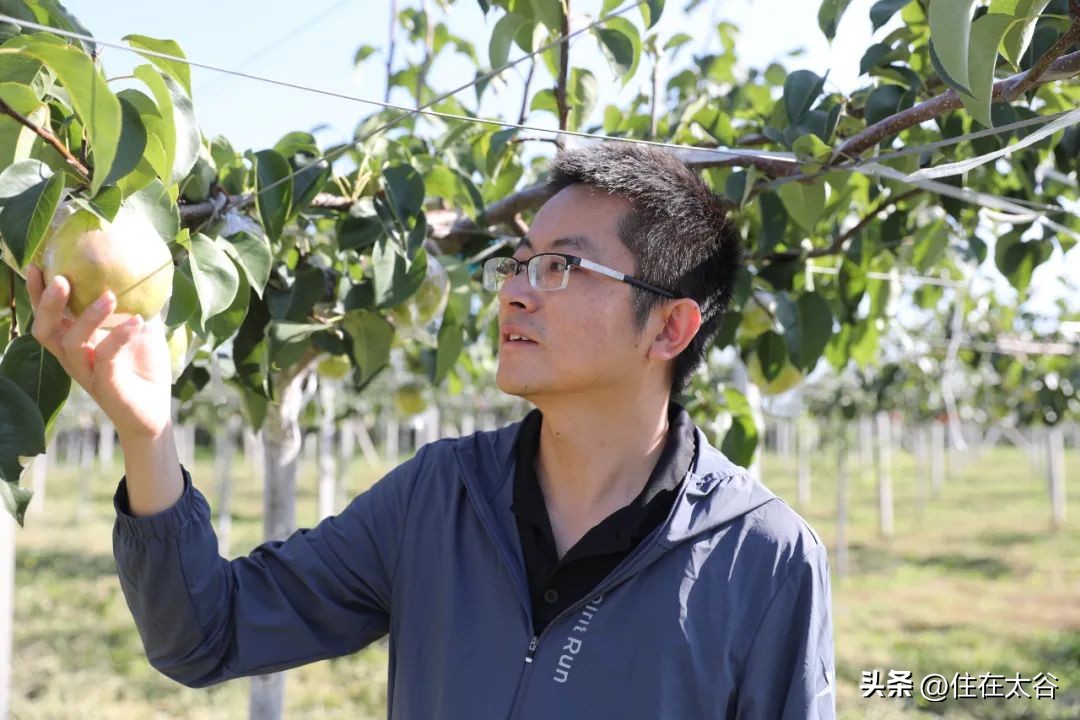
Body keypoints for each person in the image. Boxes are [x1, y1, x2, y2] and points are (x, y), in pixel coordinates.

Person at [26, 143, 835, 719]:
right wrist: (148, 431)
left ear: (669, 328)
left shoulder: (761, 558)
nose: (516, 292)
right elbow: (206, 634)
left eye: (563, 266)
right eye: (518, 263)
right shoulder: (440, 498)